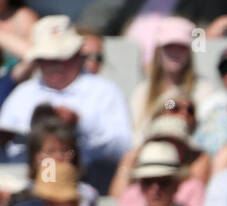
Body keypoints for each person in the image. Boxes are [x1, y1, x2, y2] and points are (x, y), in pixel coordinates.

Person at [0, 15, 132, 193]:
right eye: (47, 60)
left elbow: (124, 147)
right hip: (28, 185)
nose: (56, 66)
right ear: (37, 61)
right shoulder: (23, 94)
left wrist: (82, 124)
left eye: (63, 58)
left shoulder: (105, 91)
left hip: (86, 183)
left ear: (78, 55)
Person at [128, 16, 217, 138]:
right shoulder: (142, 91)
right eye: (169, 46)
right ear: (158, 50)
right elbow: (135, 134)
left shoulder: (203, 90)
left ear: (190, 52)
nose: (175, 53)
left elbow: (206, 134)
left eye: (181, 47)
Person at [109, 111, 209, 206]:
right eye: (161, 141)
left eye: (164, 182)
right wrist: (127, 163)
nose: (156, 189)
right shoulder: (134, 191)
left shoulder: (193, 188)